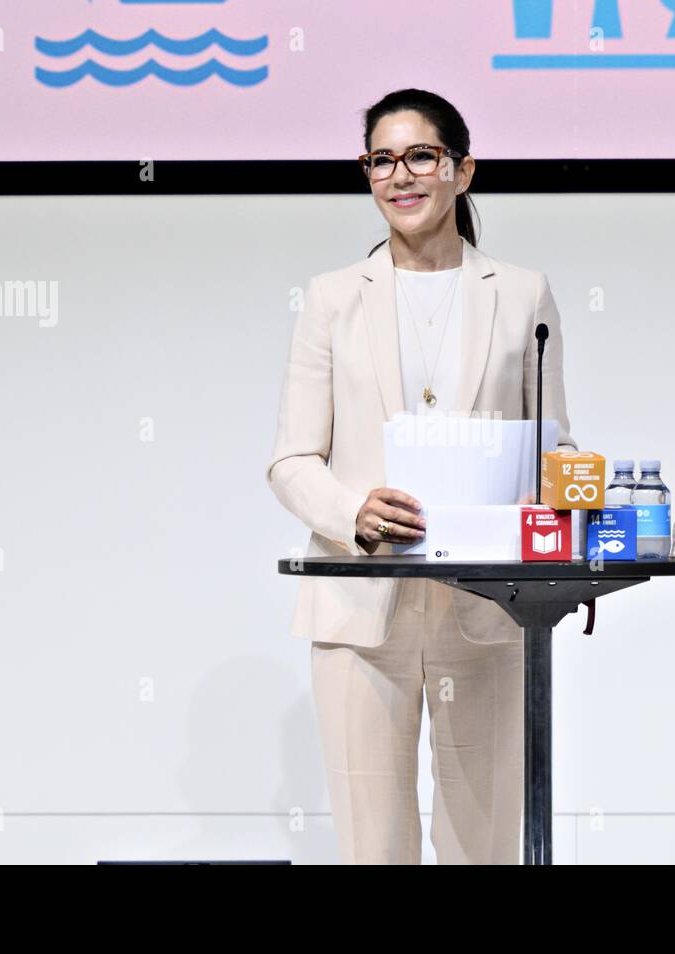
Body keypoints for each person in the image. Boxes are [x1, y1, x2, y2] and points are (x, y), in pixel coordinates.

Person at [265, 88, 579, 863]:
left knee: (486, 843)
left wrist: (576, 505)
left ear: (461, 170)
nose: (399, 175)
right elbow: (292, 460)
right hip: (360, 602)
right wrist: (353, 510)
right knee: (375, 847)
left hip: (489, 610)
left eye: (420, 156)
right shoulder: (333, 297)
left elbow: (556, 447)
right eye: (380, 159)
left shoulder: (521, 292)